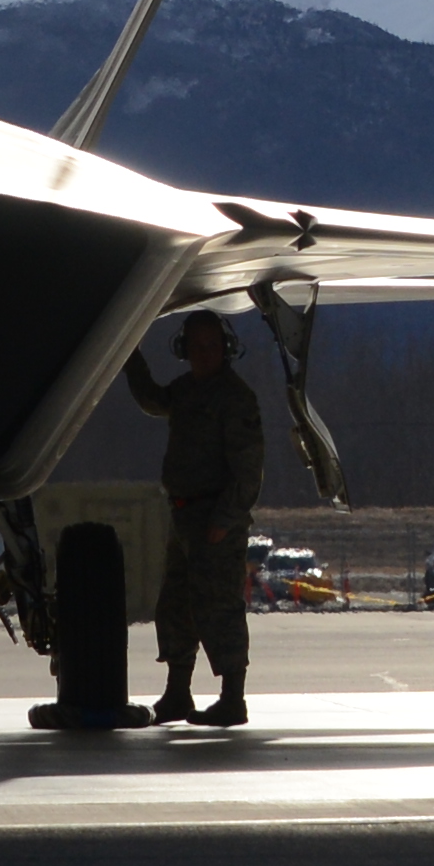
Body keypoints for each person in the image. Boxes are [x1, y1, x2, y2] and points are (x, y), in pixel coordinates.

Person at [123, 307, 266, 727]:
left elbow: (248, 469)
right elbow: (152, 399)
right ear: (185, 349)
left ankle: (232, 698)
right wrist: (127, 353)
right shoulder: (187, 391)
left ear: (225, 348)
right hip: (184, 516)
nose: (205, 354)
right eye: (197, 346)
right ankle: (177, 692)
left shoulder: (236, 399)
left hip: (214, 519)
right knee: (176, 605)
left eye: (212, 346)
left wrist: (225, 518)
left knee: (220, 606)